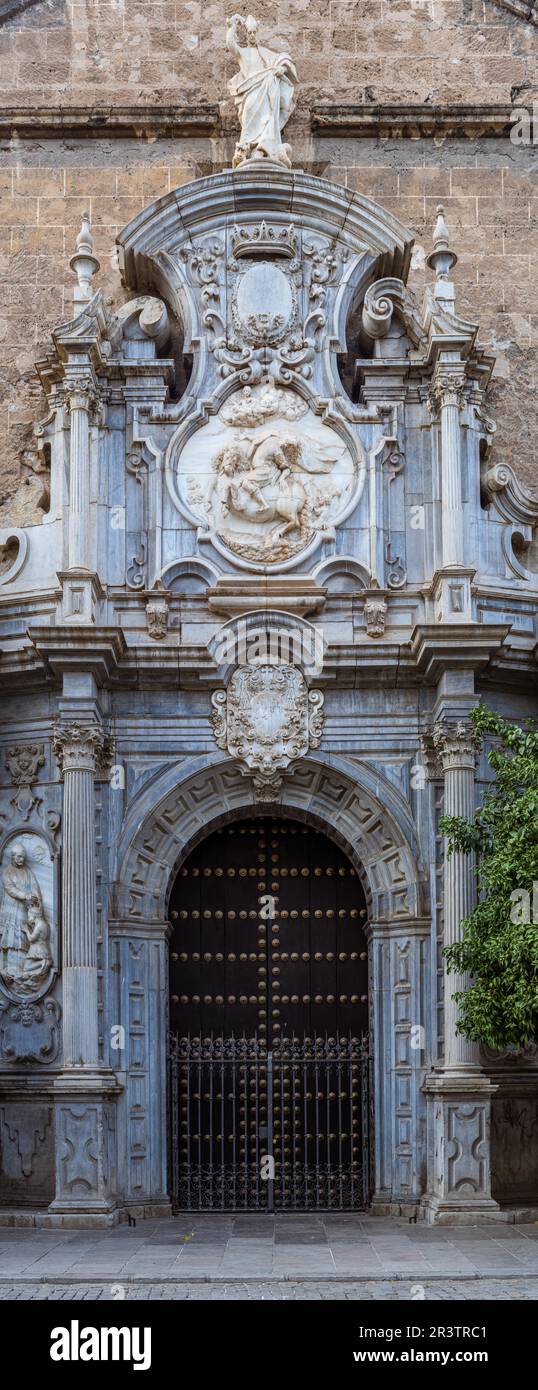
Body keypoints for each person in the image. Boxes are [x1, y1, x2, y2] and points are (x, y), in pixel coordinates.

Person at [226, 14, 298, 169]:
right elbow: (230, 44)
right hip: (250, 94)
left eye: (254, 33)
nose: (252, 36)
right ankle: (247, 150)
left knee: (266, 121)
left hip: (266, 94)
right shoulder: (243, 53)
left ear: (256, 33)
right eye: (249, 33)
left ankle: (264, 149)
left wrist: (280, 69)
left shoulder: (264, 53)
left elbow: (285, 59)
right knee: (248, 123)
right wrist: (232, 26)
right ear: (246, 34)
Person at [0, 841, 43, 985]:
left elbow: (35, 887)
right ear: (12, 856)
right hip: (11, 909)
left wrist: (36, 899)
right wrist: (25, 895)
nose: (21, 860)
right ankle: (8, 968)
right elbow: (10, 888)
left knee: (23, 937)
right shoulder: (7, 871)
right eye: (19, 857)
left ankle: (19, 968)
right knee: (11, 938)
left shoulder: (27, 871)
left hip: (24, 910)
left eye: (23, 857)